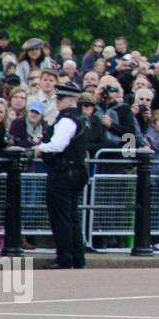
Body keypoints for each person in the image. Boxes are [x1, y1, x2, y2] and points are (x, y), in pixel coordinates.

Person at [33, 81, 93, 269]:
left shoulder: (67, 120)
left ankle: (64, 258)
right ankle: (77, 257)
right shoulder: (81, 118)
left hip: (63, 172)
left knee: (61, 218)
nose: (57, 101)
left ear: (72, 99)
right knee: (72, 217)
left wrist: (39, 148)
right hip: (77, 171)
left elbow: (57, 146)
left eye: (60, 98)